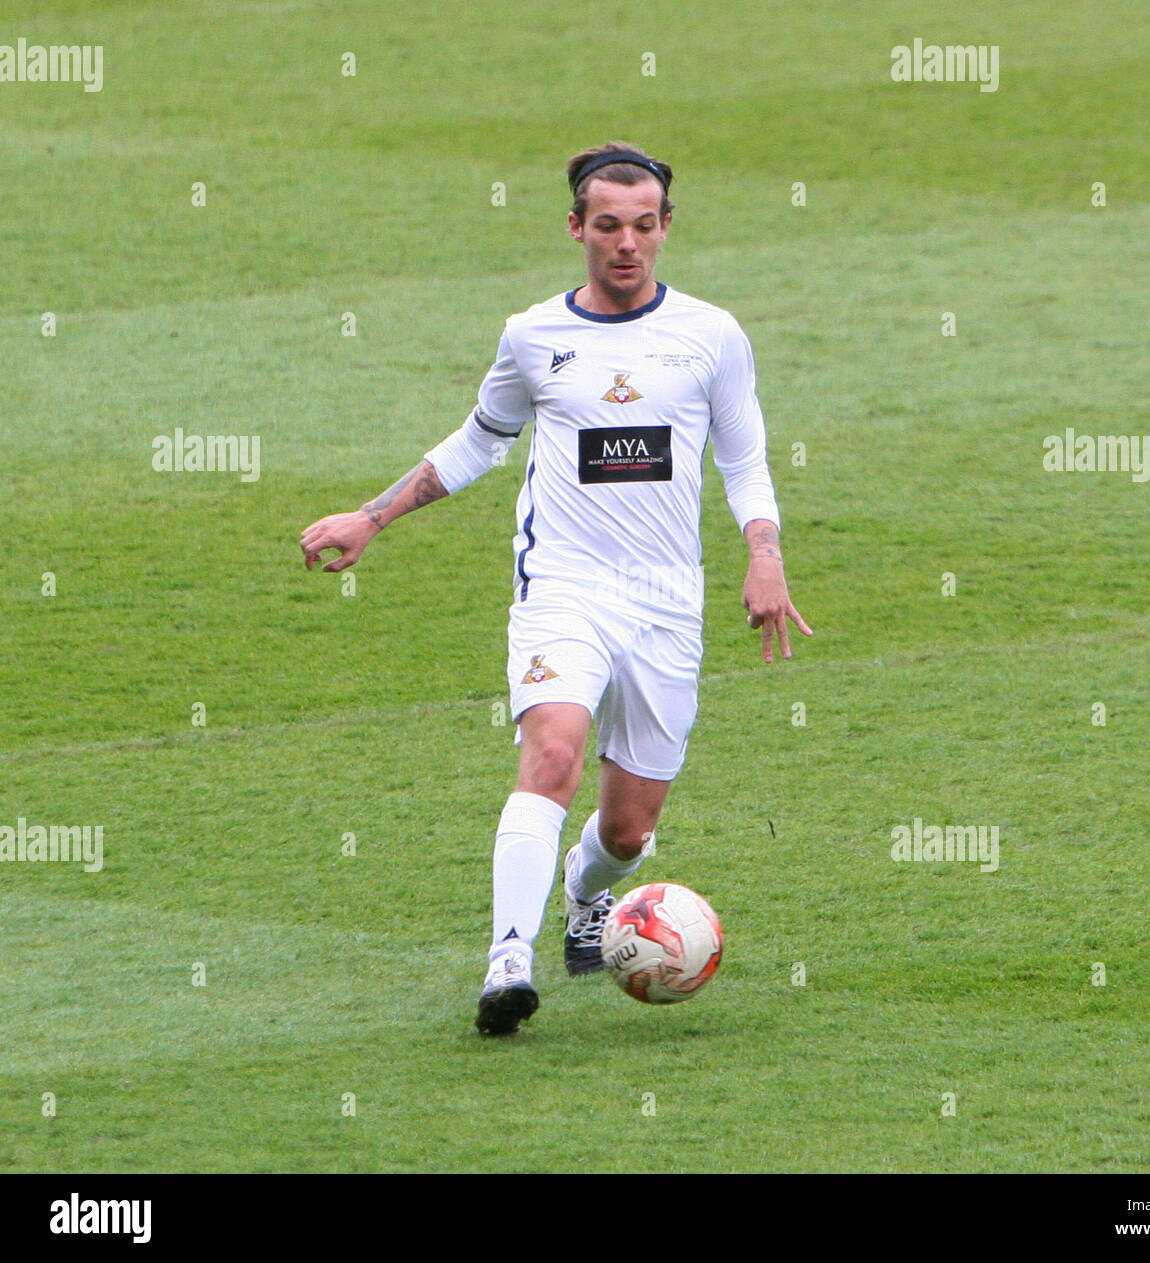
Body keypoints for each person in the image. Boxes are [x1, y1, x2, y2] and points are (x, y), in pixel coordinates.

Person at [300, 141, 812, 1036]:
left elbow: (745, 456)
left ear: (665, 228)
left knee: (626, 828)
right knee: (552, 754)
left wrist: (763, 551)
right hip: (563, 589)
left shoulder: (711, 335)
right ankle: (507, 960)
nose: (627, 244)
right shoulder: (534, 335)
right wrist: (371, 518)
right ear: (577, 227)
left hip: (665, 602)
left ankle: (587, 895)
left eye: (644, 226)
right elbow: (478, 440)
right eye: (607, 226)